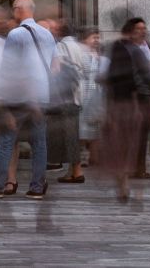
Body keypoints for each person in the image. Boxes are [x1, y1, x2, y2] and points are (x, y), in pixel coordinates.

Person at [0, 0, 56, 200]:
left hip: (20, 96)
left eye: (13, 9)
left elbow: (9, 68)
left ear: (18, 9)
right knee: (39, 142)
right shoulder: (47, 34)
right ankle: (37, 187)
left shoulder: (16, 35)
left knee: (6, 139)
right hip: (42, 95)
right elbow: (54, 66)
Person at [100, 16, 150, 203]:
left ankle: (123, 178)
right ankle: (124, 178)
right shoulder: (134, 51)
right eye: (138, 28)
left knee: (122, 143)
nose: (142, 31)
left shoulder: (115, 48)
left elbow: (104, 76)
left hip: (120, 101)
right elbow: (148, 76)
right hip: (131, 101)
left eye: (143, 28)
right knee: (128, 143)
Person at [51, 10, 92, 185]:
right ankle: (73, 170)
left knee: (70, 135)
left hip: (66, 96)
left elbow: (57, 70)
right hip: (79, 94)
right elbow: (87, 67)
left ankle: (76, 171)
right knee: (73, 134)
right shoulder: (79, 46)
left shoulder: (61, 46)